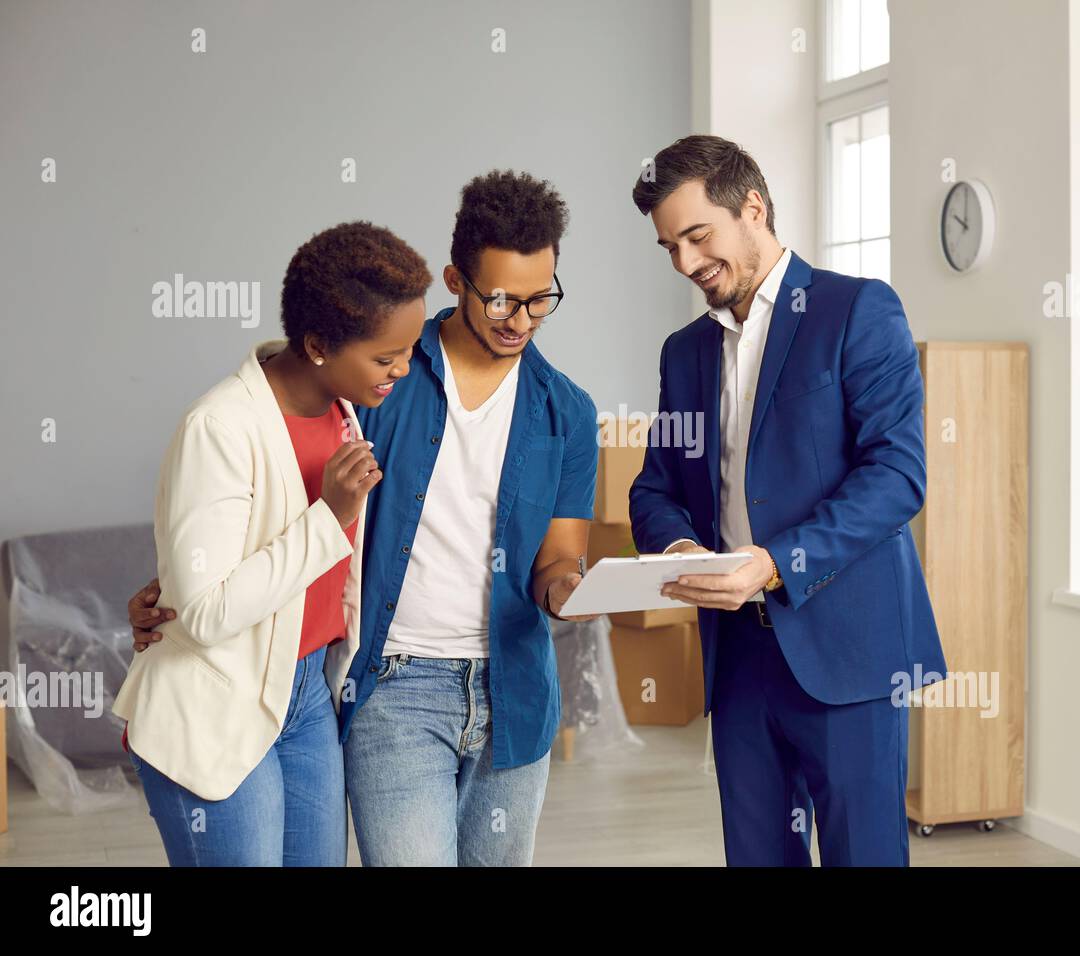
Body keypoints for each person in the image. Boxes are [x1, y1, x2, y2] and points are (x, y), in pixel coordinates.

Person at [129, 171, 599, 866]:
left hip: (513, 690)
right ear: (456, 280)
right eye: (500, 298)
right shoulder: (375, 385)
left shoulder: (567, 410)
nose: (519, 320)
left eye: (540, 300)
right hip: (395, 687)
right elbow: (263, 487)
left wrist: (569, 588)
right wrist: (173, 588)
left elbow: (559, 557)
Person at [627, 135, 948, 866]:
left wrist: (773, 562)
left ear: (753, 208)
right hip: (738, 654)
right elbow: (655, 486)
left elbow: (897, 475)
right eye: (669, 246)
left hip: (849, 647)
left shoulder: (857, 310)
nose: (685, 263)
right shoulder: (684, 353)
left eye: (697, 236)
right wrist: (681, 548)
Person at [114, 221, 431, 866]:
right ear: (317, 344)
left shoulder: (344, 412)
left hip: (307, 693)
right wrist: (330, 515)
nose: (401, 369)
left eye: (408, 350)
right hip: (217, 703)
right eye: (384, 357)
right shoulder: (220, 426)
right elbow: (203, 614)